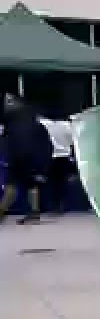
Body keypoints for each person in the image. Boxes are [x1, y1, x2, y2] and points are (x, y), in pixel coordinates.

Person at [0, 93, 52, 224]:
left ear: (18, 102)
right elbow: (44, 141)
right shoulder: (31, 119)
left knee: (11, 186)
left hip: (20, 157)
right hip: (30, 158)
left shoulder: (15, 121)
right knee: (31, 185)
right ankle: (34, 214)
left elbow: (13, 140)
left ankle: (1, 213)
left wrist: (9, 156)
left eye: (10, 101)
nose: (6, 104)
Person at [38, 115, 74, 216]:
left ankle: (49, 207)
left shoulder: (44, 123)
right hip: (63, 156)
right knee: (61, 183)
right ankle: (59, 206)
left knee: (50, 183)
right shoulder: (67, 125)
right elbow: (72, 141)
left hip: (48, 156)